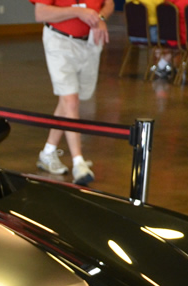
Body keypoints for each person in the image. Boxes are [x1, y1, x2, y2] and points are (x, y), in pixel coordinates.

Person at [31, 0, 113, 185]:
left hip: (90, 43)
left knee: (71, 100)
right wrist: (77, 12)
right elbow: (41, 14)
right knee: (71, 100)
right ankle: (79, 163)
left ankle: (48, 152)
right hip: (60, 42)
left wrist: (99, 17)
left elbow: (108, 4)